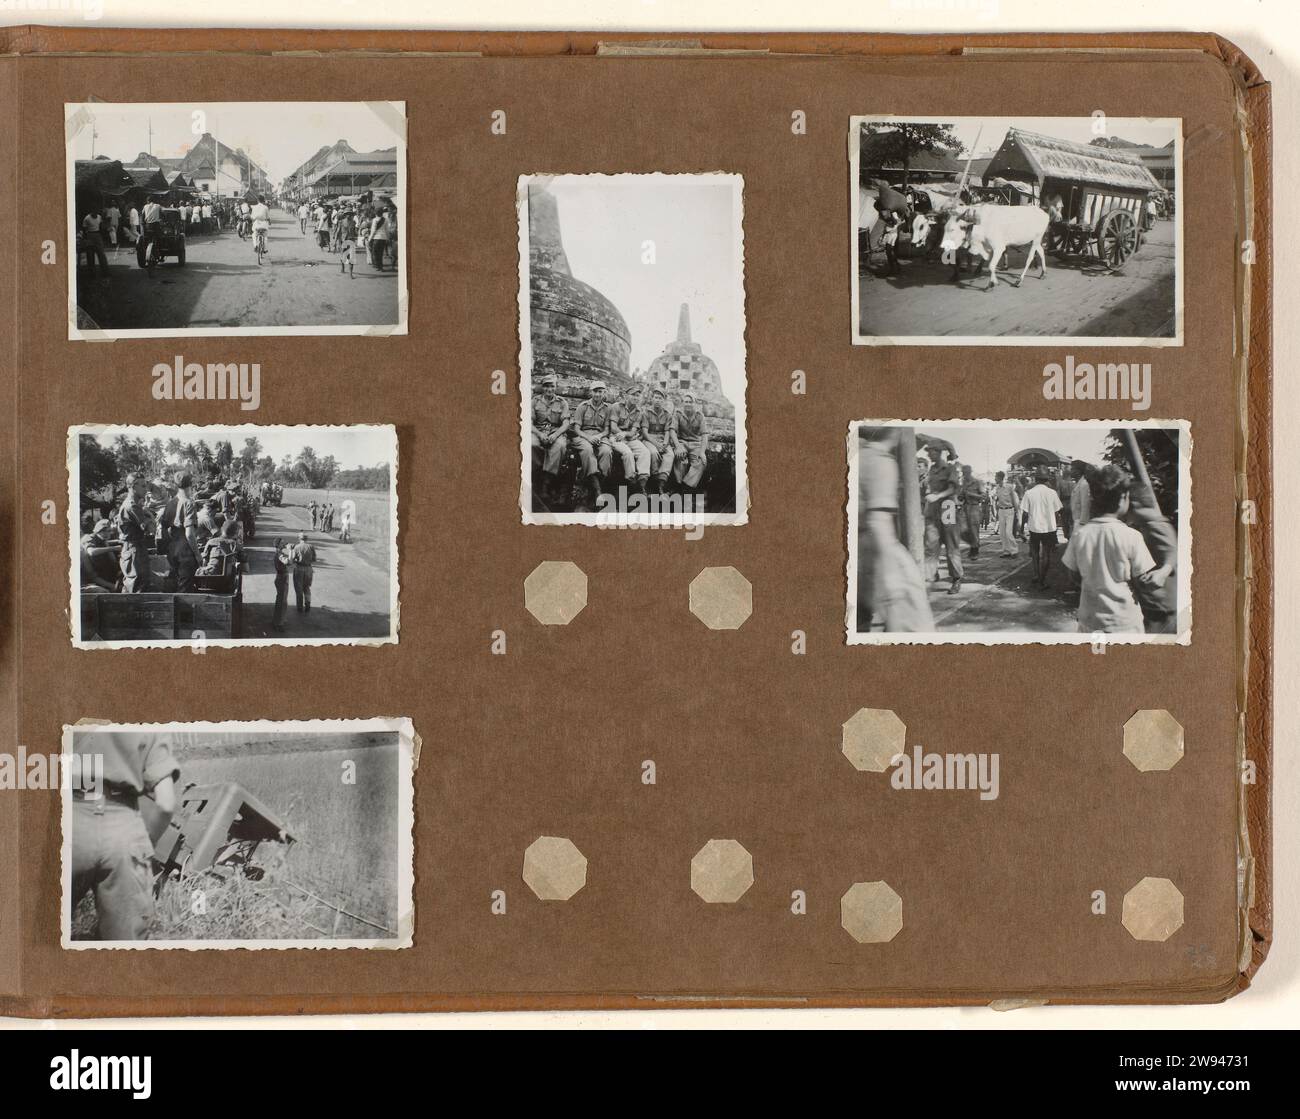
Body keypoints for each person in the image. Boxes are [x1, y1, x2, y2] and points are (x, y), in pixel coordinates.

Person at [69, 730, 179, 941]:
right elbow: (166, 804)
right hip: (124, 827)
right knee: (125, 950)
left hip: (71, 814)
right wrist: (145, 846)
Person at [1061, 465, 1170, 634]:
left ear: (1094, 499)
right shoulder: (1132, 536)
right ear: (1124, 498)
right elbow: (1142, 582)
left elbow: (1073, 575)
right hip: (1124, 623)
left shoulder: (1079, 535)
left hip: (1091, 621)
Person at [856, 428, 934, 632]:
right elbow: (878, 520)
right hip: (874, 548)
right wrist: (890, 574)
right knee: (912, 620)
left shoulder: (859, 455)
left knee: (859, 618)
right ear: (895, 432)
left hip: (861, 548)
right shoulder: (880, 461)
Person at [922, 441, 963, 594]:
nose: (928, 454)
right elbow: (929, 488)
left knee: (951, 546)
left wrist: (937, 496)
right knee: (930, 546)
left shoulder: (950, 468)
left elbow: (953, 488)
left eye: (930, 451)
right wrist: (929, 494)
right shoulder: (932, 469)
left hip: (948, 508)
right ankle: (929, 578)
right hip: (933, 510)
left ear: (938, 452)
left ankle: (956, 579)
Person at [570, 380, 614, 507]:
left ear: (604, 393)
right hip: (583, 436)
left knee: (606, 452)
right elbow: (577, 429)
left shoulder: (608, 408)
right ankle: (597, 491)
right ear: (591, 392)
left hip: (600, 436)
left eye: (600, 392)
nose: (597, 395)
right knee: (588, 450)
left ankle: (599, 483)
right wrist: (589, 438)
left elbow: (607, 429)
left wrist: (599, 436)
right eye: (595, 391)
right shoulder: (582, 406)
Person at [531, 370, 570, 505]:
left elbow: (566, 423)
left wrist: (555, 435)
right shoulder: (535, 401)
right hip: (539, 431)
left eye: (552, 386)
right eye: (547, 386)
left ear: (555, 387)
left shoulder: (562, 402)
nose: (549, 389)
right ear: (543, 387)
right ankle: (536, 476)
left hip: (555, 431)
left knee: (559, 446)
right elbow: (529, 423)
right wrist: (540, 434)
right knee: (532, 445)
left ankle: (546, 484)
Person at [1022, 469, 1064, 588]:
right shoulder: (1052, 493)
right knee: (1046, 554)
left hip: (1034, 527)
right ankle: (1042, 580)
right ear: (1046, 479)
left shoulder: (1029, 493)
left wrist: (1020, 529)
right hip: (1049, 528)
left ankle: (1036, 574)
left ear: (1035, 479)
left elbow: (1024, 514)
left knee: (1035, 553)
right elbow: (1058, 511)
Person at [160, 471, 201, 592]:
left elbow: (162, 527)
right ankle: (184, 611)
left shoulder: (170, 503)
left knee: (175, 584)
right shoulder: (189, 503)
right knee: (185, 589)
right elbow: (189, 534)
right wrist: (198, 554)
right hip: (185, 550)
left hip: (172, 548)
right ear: (191, 484)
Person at [116, 473, 156, 593]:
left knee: (137, 586)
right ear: (133, 487)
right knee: (136, 587)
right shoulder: (132, 506)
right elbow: (151, 529)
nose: (146, 489)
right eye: (143, 486)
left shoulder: (135, 505)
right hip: (134, 550)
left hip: (135, 547)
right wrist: (150, 516)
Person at [609, 384, 652, 495]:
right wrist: (621, 434)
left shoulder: (639, 412)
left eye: (638, 395)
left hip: (629, 437)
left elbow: (633, 431)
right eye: (633, 395)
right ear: (626, 395)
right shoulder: (616, 407)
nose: (635, 398)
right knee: (628, 453)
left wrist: (625, 434)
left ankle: (642, 484)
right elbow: (613, 427)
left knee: (645, 452)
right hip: (615, 436)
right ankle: (631, 480)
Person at [641, 387, 678, 493]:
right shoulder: (646, 413)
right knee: (653, 453)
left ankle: (661, 484)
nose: (657, 400)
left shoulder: (667, 414)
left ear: (663, 400)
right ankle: (653, 479)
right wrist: (657, 445)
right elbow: (645, 433)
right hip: (649, 439)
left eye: (660, 398)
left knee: (670, 455)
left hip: (663, 440)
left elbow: (667, 432)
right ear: (652, 399)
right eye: (656, 397)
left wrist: (665, 444)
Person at [672, 393, 709, 493]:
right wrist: (678, 446)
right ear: (683, 403)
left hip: (695, 443)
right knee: (679, 457)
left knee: (701, 462)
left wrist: (702, 452)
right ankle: (679, 484)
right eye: (686, 402)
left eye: (690, 402)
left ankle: (686, 486)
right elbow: (672, 431)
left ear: (694, 403)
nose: (688, 404)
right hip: (682, 442)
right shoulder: (678, 414)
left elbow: (704, 435)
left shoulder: (700, 416)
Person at [80, 519, 122, 592]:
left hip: (104, 575)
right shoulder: (88, 538)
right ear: (100, 531)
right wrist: (114, 548)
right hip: (91, 579)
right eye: (108, 531)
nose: (110, 533)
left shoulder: (102, 540)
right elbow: (91, 552)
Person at [992, 470, 1020, 557]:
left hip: (1009, 511)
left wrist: (1017, 512)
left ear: (1000, 478)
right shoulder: (997, 488)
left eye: (996, 477)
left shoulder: (1009, 487)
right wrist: (996, 512)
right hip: (1001, 511)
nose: (995, 479)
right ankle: (1006, 551)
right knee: (1002, 533)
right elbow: (997, 500)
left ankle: (1014, 551)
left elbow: (1014, 500)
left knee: (1008, 532)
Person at [959, 464, 984, 559]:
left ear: (969, 472)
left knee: (974, 530)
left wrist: (970, 494)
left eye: (965, 473)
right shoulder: (964, 482)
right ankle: (973, 545)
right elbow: (961, 496)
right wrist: (960, 495)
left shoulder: (977, 482)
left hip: (974, 508)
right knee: (962, 529)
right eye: (963, 473)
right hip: (965, 507)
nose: (964, 475)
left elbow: (983, 497)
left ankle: (975, 550)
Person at [80, 208, 109, 279]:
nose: (95, 213)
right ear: (91, 211)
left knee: (101, 254)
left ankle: (105, 272)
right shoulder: (87, 218)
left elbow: (101, 226)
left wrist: (102, 236)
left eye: (96, 211)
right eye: (94, 211)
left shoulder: (99, 217)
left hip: (98, 235)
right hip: (90, 235)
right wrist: (86, 240)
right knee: (90, 255)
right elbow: (84, 229)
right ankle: (91, 274)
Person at [291, 532, 316, 612]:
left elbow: (292, 560)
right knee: (307, 587)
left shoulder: (297, 547)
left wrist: (297, 559)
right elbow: (314, 559)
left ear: (299, 538)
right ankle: (308, 603)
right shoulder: (311, 546)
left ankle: (300, 607)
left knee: (299, 589)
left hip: (299, 568)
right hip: (309, 569)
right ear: (306, 539)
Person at [272, 536, 292, 631]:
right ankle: (279, 623)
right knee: (282, 601)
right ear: (279, 544)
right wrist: (291, 550)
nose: (284, 544)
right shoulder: (279, 554)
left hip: (280, 577)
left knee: (280, 600)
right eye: (283, 542)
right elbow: (288, 562)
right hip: (282, 577)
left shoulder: (278, 553)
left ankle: (277, 620)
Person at [1068, 460, 1092, 535]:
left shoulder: (1084, 484)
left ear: (1078, 471)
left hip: (1081, 523)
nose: (1070, 471)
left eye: (1072, 469)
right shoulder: (1078, 483)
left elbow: (1085, 505)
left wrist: (1082, 524)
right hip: (1076, 520)